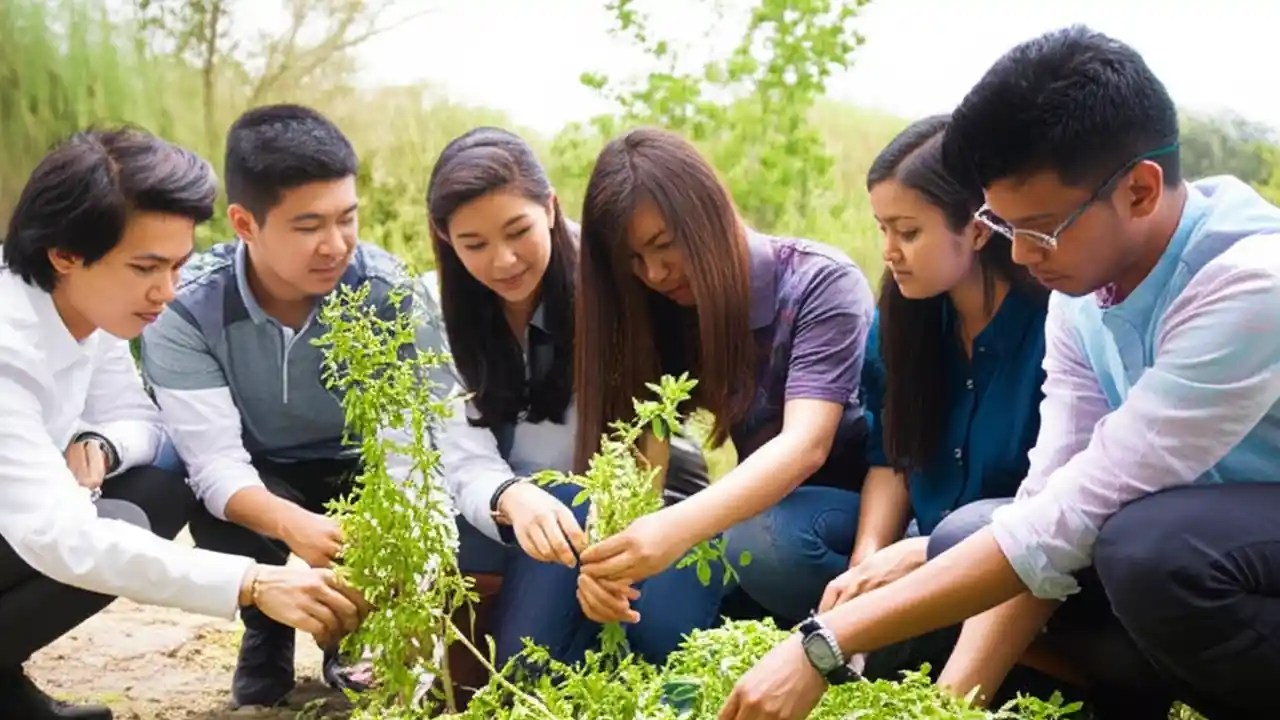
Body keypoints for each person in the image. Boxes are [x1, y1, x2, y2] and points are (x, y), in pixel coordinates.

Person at [720, 26, 1280, 720]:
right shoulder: (1082, 294)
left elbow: (1075, 518)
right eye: (1005, 225)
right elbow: (1048, 500)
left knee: (1152, 551)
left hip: (1227, 550)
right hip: (1225, 555)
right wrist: (946, 707)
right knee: (970, 532)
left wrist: (822, 643)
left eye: (1041, 228)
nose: (1019, 256)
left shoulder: (1251, 286)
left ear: (1139, 190)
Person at [0, 128, 365, 720]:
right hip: (30, 526)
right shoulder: (7, 345)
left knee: (158, 490)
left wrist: (100, 441)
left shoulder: (89, 309)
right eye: (146, 267)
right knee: (86, 533)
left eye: (177, 266)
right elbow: (57, 536)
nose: (166, 293)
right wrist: (253, 582)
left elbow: (144, 423)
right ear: (64, 253)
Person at [724, 116, 1049, 631]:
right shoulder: (902, 321)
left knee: (973, 533)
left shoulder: (1052, 326)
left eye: (909, 232)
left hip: (1015, 558)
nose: (889, 251)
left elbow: (1050, 511)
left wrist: (922, 553)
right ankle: (878, 631)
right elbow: (892, 459)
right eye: (883, 229)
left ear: (979, 229)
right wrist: (868, 560)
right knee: (761, 540)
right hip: (919, 542)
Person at [572, 128, 875, 662]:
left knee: (761, 541)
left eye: (665, 246)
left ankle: (890, 632)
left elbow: (806, 446)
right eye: (634, 261)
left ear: (708, 211)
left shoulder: (819, 283)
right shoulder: (666, 306)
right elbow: (647, 456)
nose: (655, 273)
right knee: (656, 625)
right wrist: (613, 562)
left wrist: (675, 528)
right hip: (752, 520)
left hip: (850, 520)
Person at [139, 104, 401, 708]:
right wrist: (294, 527)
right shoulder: (186, 309)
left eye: (347, 219)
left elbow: (409, 443)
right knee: (204, 496)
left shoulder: (388, 293)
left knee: (389, 493)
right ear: (244, 223)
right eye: (308, 225)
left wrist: (373, 530)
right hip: (262, 474)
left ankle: (353, 627)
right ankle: (267, 625)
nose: (334, 245)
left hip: (359, 468)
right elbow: (213, 462)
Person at [423, 126, 712, 666]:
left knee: (655, 646)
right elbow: (461, 453)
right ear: (445, 238)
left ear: (550, 208)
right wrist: (512, 495)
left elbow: (646, 444)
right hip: (526, 511)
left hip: (638, 500)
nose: (504, 260)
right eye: (474, 244)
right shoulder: (433, 306)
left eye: (518, 231)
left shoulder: (610, 284)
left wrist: (615, 553)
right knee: (529, 670)